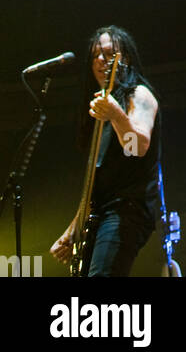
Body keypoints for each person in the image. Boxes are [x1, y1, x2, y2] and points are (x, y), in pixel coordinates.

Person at [50, 26, 160, 276]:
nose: (100, 60)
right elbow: (96, 185)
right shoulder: (99, 113)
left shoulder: (139, 95)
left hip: (127, 209)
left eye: (109, 54)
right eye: (95, 56)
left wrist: (116, 115)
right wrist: (73, 230)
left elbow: (136, 148)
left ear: (125, 59)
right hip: (101, 213)